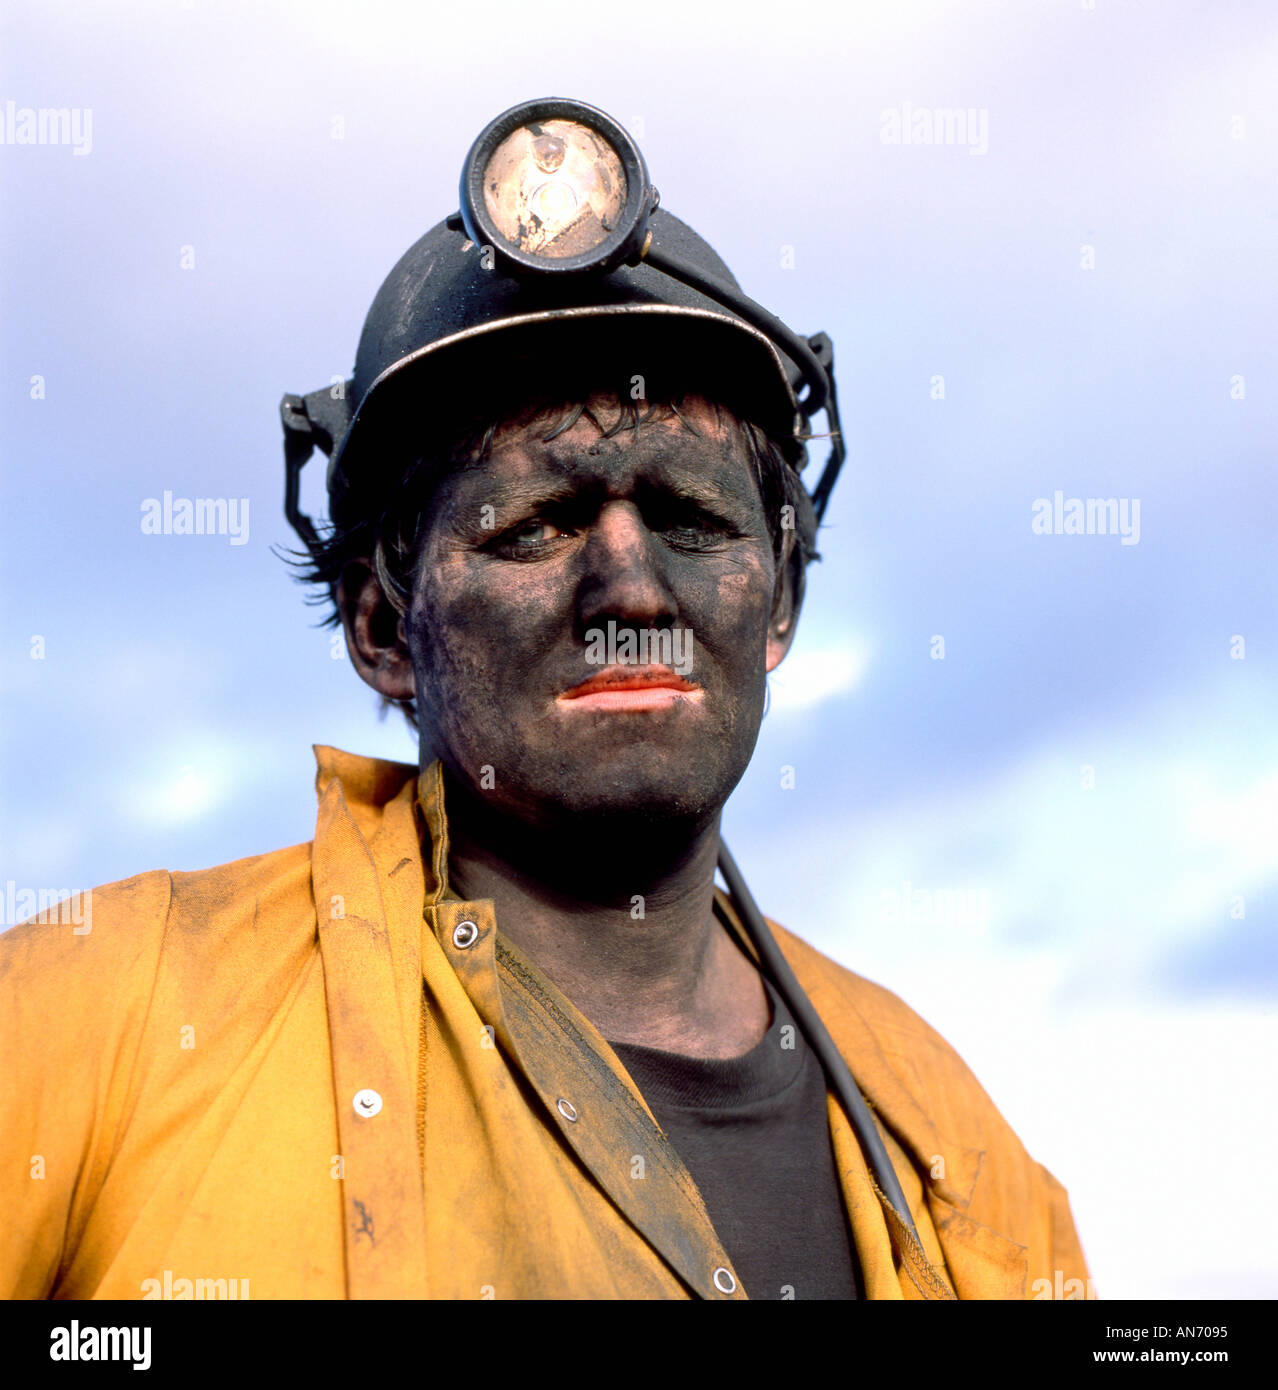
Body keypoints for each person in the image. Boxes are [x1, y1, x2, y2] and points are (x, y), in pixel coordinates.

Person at [0, 99, 1091, 1301]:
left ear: (774, 609)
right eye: (532, 523)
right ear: (382, 628)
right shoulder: (101, 1015)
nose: (627, 579)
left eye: (688, 517)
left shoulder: (945, 1139)